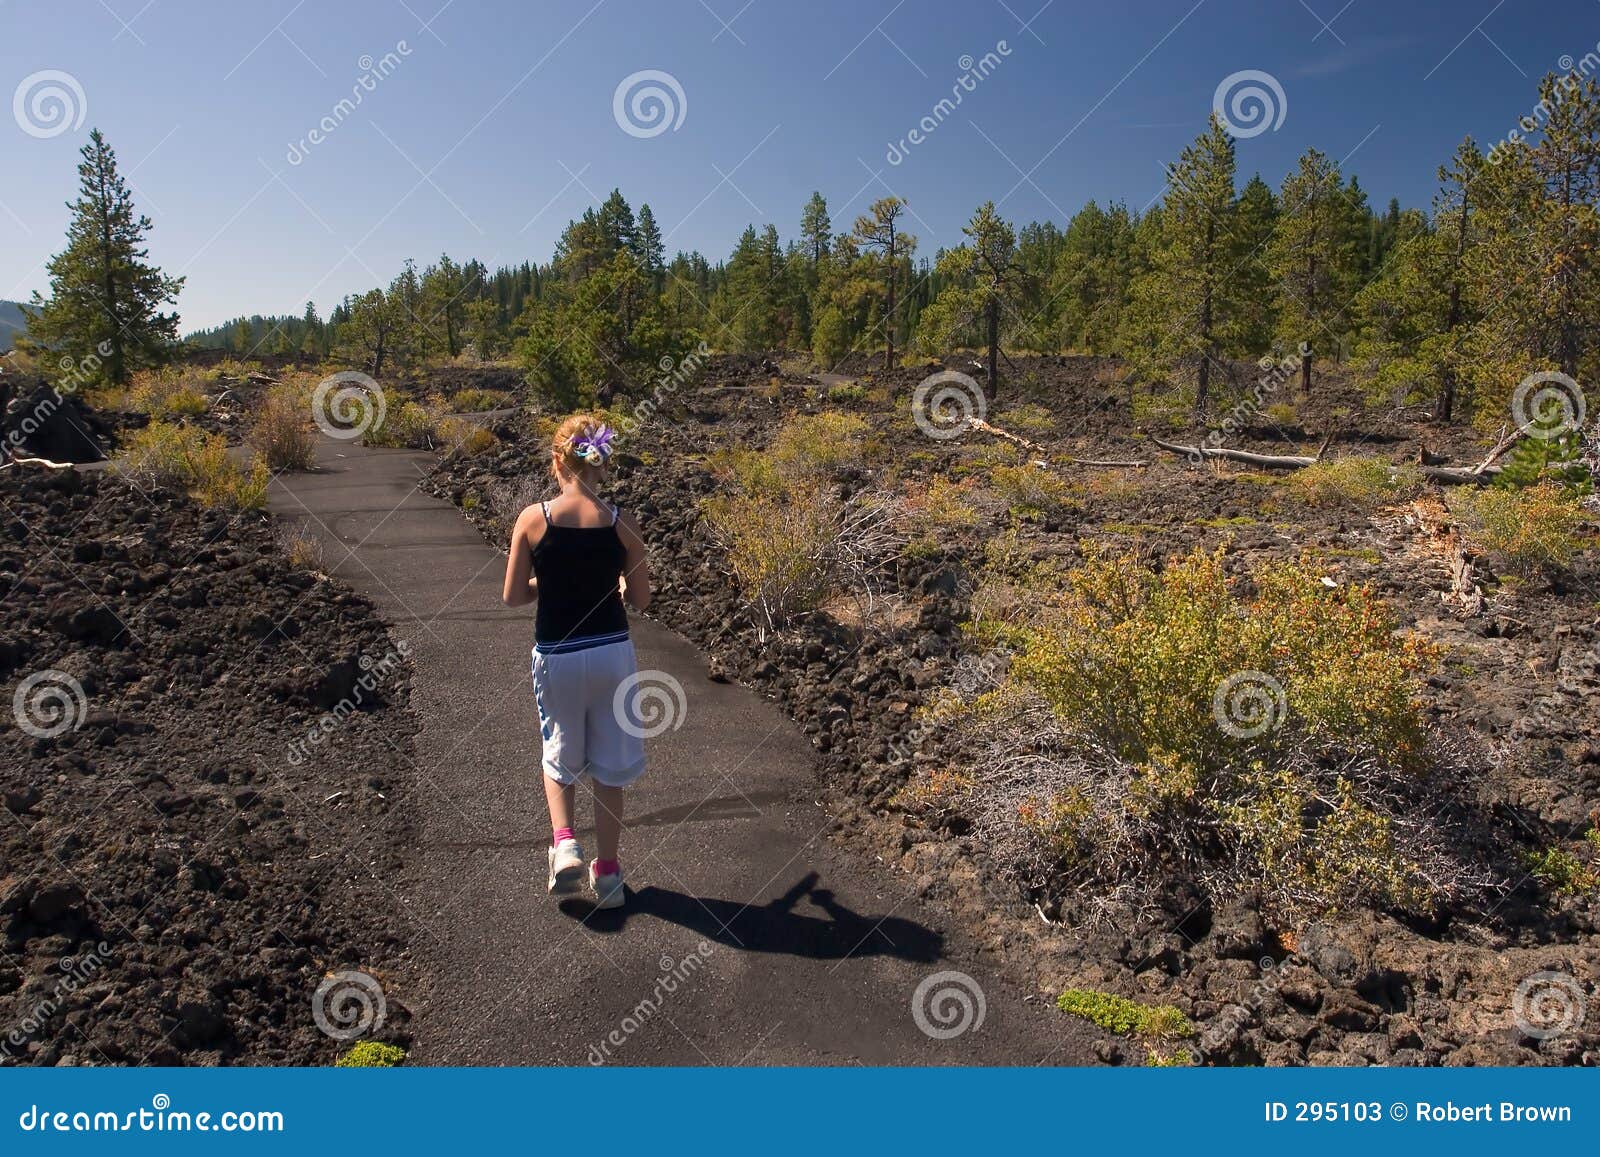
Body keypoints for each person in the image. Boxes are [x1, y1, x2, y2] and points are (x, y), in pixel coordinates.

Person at [502, 414, 651, 909]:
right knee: (610, 764)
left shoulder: (533, 519)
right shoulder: (620, 521)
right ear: (602, 464)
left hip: (558, 655)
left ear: (555, 462)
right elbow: (643, 599)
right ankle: (607, 876)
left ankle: (564, 844)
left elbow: (512, 597)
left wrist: (552, 581)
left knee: (558, 749)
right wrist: (621, 583)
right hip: (611, 652)